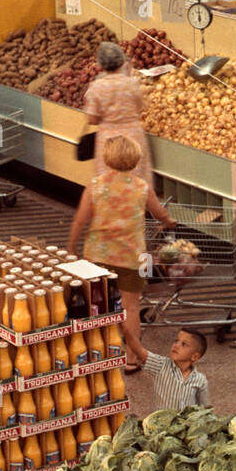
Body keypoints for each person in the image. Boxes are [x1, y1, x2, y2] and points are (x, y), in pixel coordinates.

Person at [67, 135, 176, 358]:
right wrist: (168, 222)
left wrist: (71, 248)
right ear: (136, 160)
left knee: (95, 305)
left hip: (97, 256)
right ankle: (132, 358)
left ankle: (94, 353)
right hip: (132, 257)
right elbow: (158, 212)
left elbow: (80, 220)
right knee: (131, 308)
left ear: (106, 159)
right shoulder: (141, 187)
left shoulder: (96, 185)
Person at [82, 41, 154, 190]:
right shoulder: (132, 84)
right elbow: (141, 108)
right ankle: (136, 210)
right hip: (133, 137)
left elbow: (92, 119)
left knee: (109, 184)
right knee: (136, 183)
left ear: (100, 65)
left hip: (108, 141)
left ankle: (115, 210)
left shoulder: (96, 87)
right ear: (122, 61)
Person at [125, 327, 211, 413]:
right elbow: (139, 350)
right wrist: (126, 330)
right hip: (158, 424)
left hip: (185, 425)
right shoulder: (161, 365)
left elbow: (205, 409)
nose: (176, 345)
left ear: (195, 356)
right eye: (176, 341)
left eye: (184, 344)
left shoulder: (200, 380)